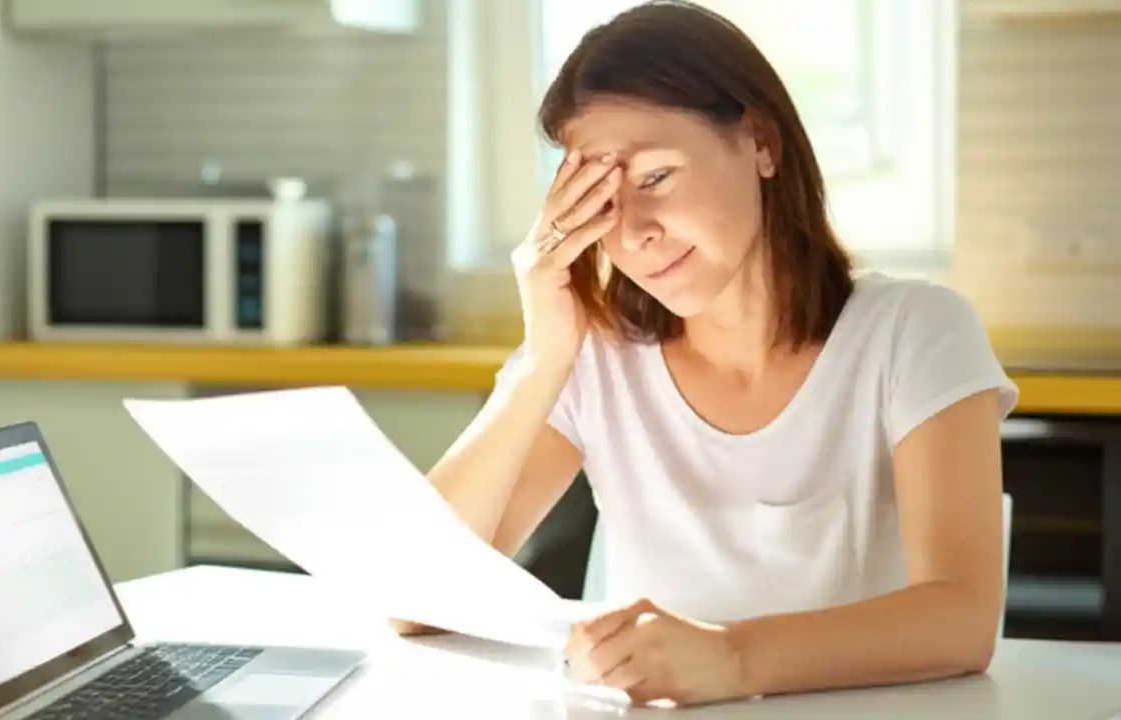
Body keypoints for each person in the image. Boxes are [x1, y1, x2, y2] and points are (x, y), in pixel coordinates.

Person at [396, 0, 1019, 708]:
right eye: (601, 202)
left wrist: (729, 659)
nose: (634, 232)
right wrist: (542, 360)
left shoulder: (915, 332)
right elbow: (411, 599)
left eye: (656, 178)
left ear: (761, 143)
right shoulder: (592, 361)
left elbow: (961, 621)